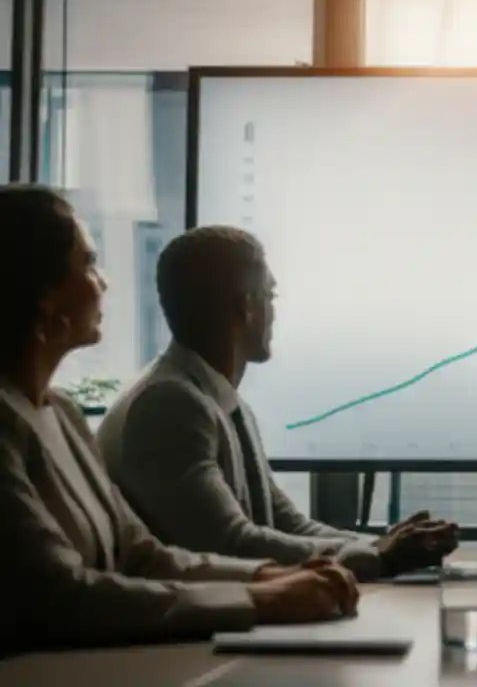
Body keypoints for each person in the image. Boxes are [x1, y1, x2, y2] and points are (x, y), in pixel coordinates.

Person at [0, 186, 359, 651]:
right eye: (88, 264)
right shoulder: (10, 422)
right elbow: (59, 597)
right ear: (43, 295)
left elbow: (141, 555)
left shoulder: (63, 413)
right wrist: (258, 598)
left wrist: (270, 574)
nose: (103, 281)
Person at [98, 225, 458, 582]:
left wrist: (380, 545)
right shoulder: (170, 405)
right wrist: (378, 558)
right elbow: (230, 544)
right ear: (247, 306)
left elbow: (287, 523)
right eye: (270, 296)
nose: (275, 312)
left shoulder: (215, 398)